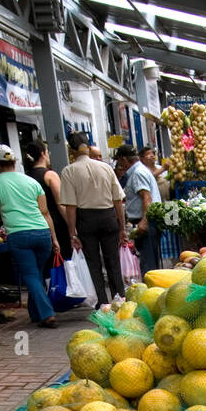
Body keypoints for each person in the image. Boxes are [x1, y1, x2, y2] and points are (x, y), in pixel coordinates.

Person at [0, 143, 58, 328]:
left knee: (31, 276)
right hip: (42, 233)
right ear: (15, 162)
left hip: (19, 235)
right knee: (37, 274)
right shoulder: (31, 181)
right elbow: (45, 212)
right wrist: (54, 238)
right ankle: (35, 313)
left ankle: (47, 314)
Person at [60, 131, 128, 306]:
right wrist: (122, 228)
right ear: (89, 147)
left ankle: (102, 303)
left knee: (94, 263)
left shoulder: (69, 171)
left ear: (72, 150)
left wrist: (72, 233)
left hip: (86, 219)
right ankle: (120, 298)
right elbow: (118, 201)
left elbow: (71, 207)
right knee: (112, 260)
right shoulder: (105, 167)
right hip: (108, 216)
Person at [113, 143, 161, 277]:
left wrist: (144, 222)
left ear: (123, 159)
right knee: (150, 263)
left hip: (146, 223)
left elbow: (147, 197)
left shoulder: (138, 173)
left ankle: (151, 294)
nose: (120, 164)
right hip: (148, 222)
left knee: (149, 266)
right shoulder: (140, 170)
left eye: (119, 161)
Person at [23, 138, 71, 259]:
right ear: (43, 154)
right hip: (57, 225)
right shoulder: (50, 175)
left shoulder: (25, 178)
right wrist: (72, 226)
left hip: (37, 226)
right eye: (47, 151)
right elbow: (61, 204)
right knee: (64, 260)